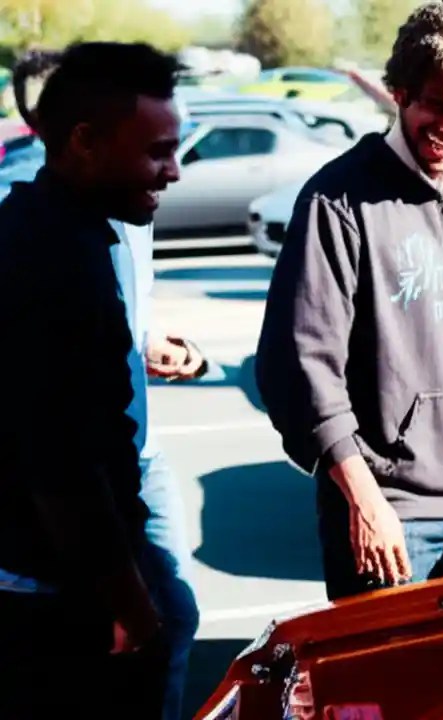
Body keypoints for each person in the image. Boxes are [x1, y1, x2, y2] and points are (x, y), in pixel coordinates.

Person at [256, 2, 443, 601]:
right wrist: (364, 500)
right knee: (375, 695)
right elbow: (300, 368)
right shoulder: (339, 199)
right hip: (392, 513)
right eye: (436, 105)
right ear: (399, 94)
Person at [10, 49, 206, 720]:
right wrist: (130, 605)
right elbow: (59, 464)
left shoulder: (75, 234)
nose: (174, 171)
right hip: (56, 598)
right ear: (84, 143)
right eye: (157, 152)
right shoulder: (52, 260)